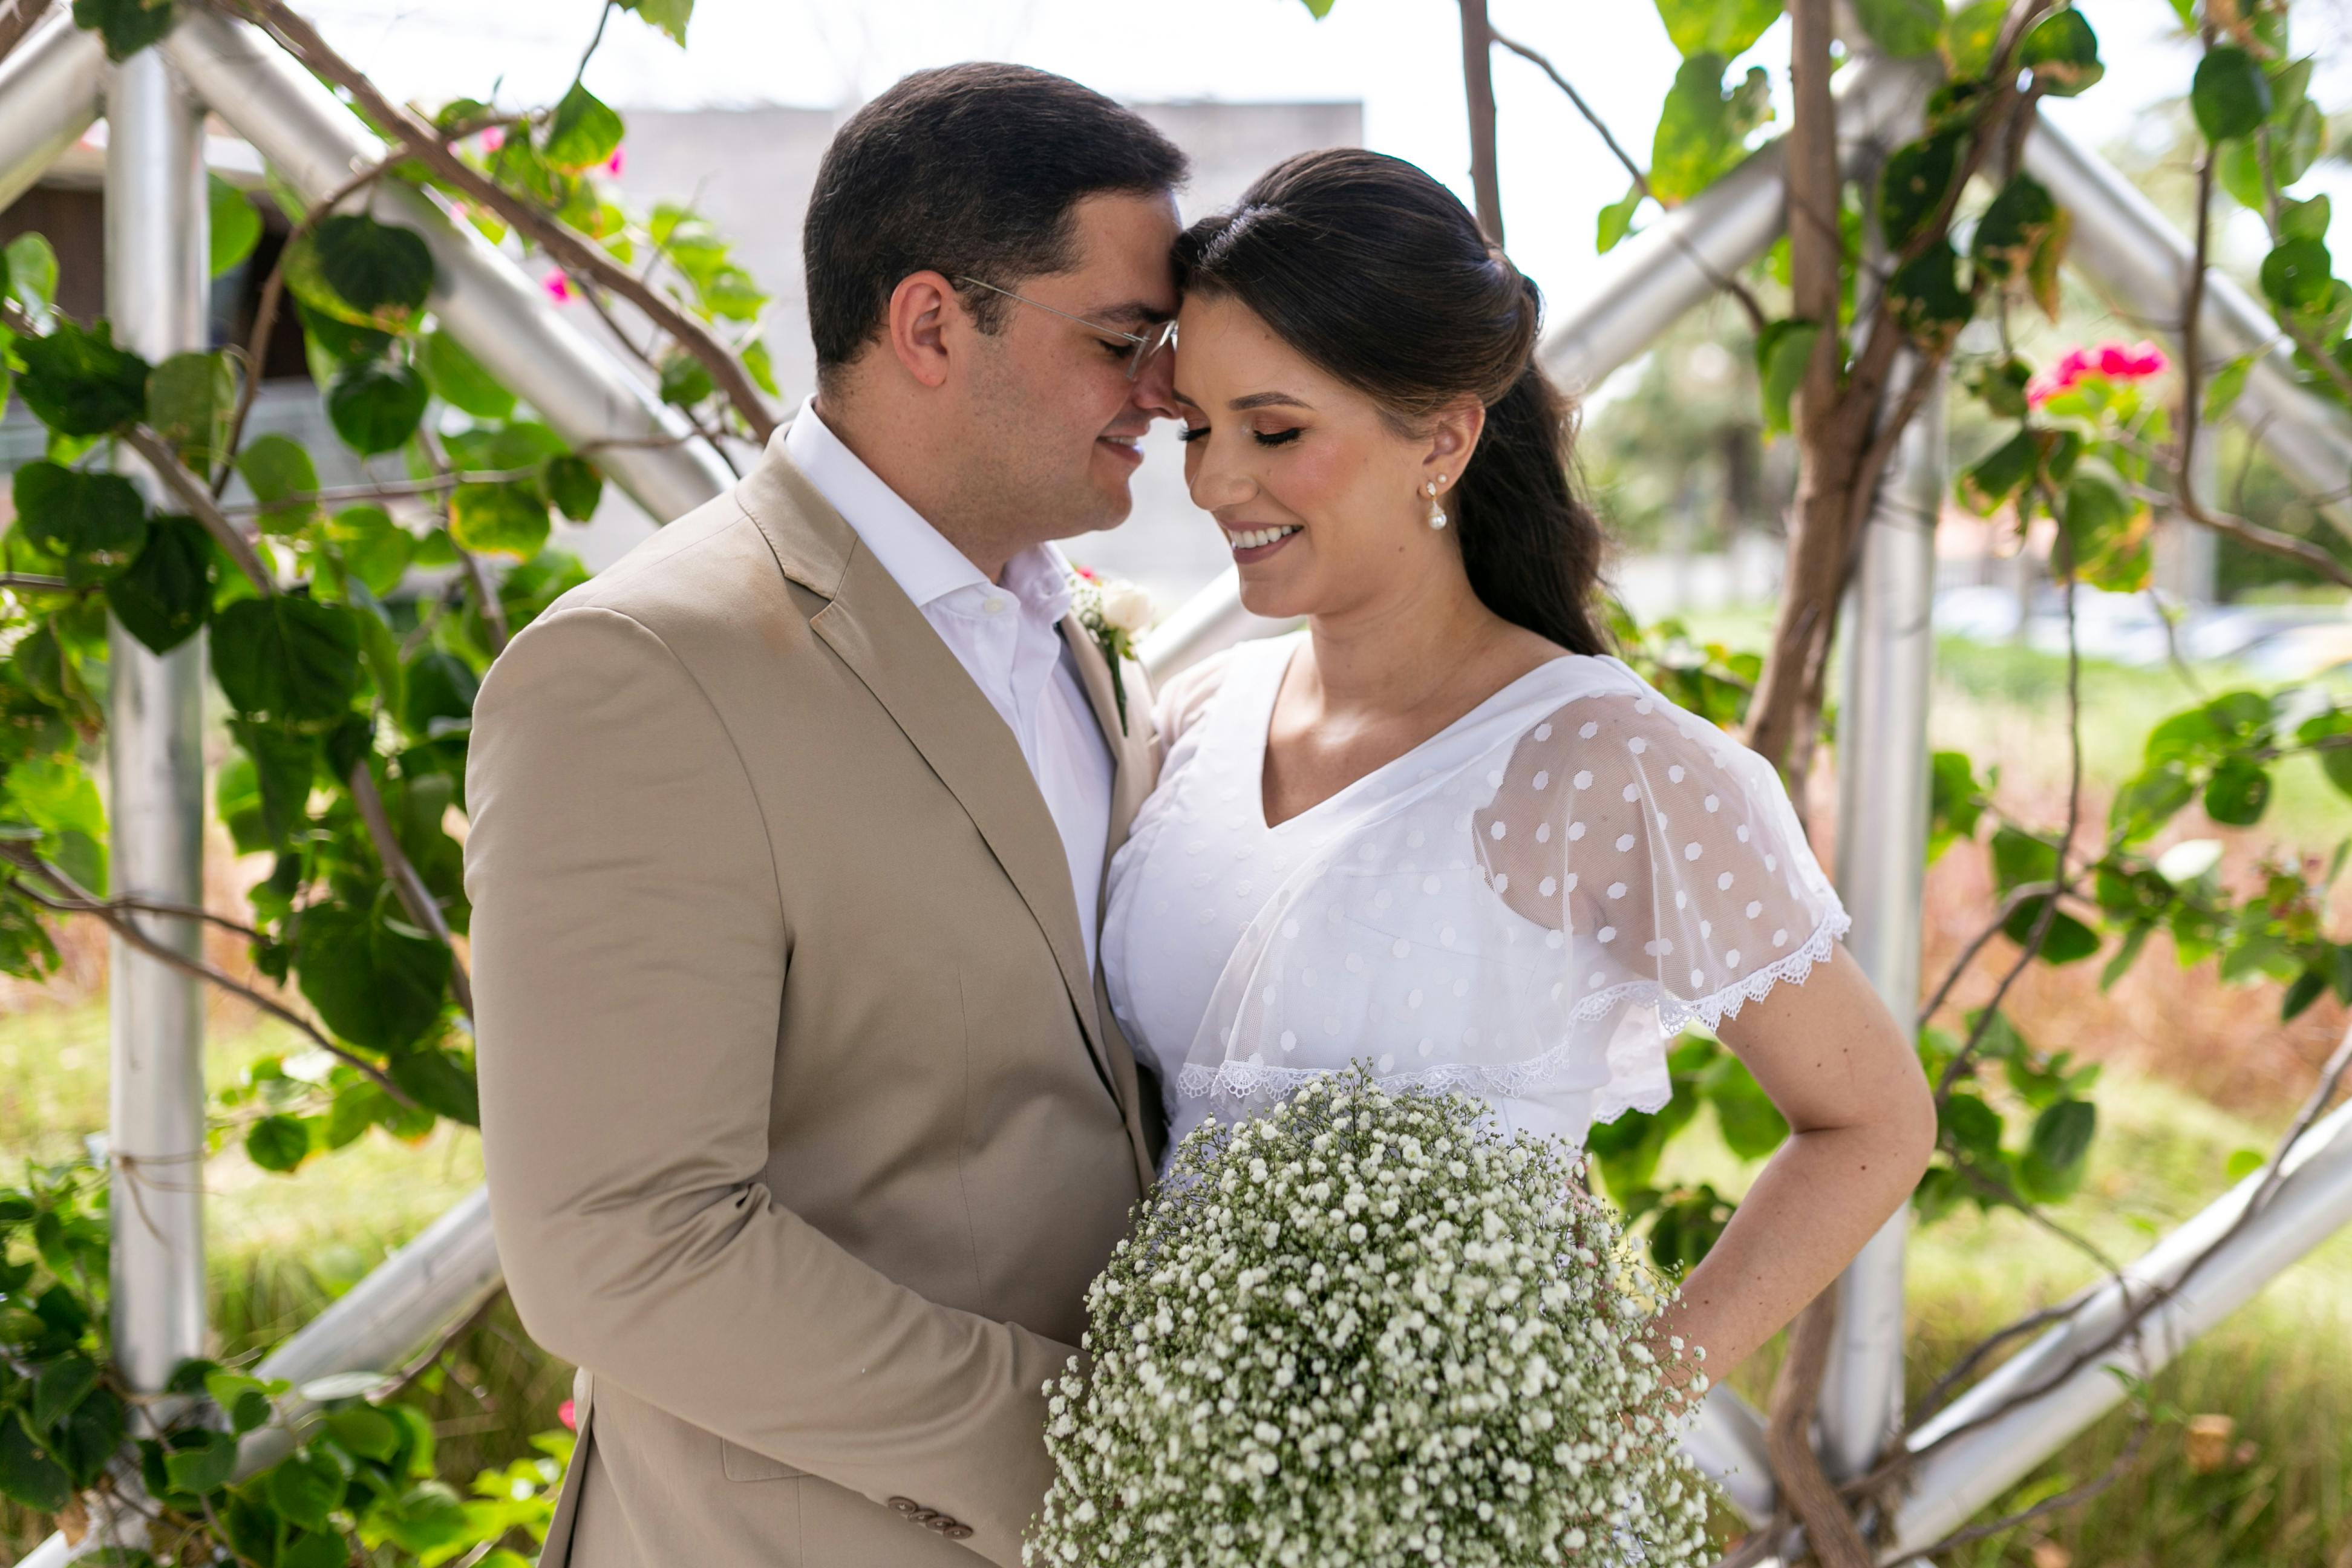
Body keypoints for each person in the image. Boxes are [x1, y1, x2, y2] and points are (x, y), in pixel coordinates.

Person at [463, 65, 1187, 1568]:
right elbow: (623, 1244)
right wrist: (1108, 1461)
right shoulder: (642, 672)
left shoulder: (1078, 633)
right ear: (932, 324)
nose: (1166, 393)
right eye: (1126, 339)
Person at [1100, 148, 1937, 1392]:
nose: (1218, 483)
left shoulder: (1611, 763)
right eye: (1200, 429)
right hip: (1173, 1476)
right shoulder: (1204, 716)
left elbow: (1874, 1122)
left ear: (1441, 440)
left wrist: (1599, 1421)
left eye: (1275, 429)